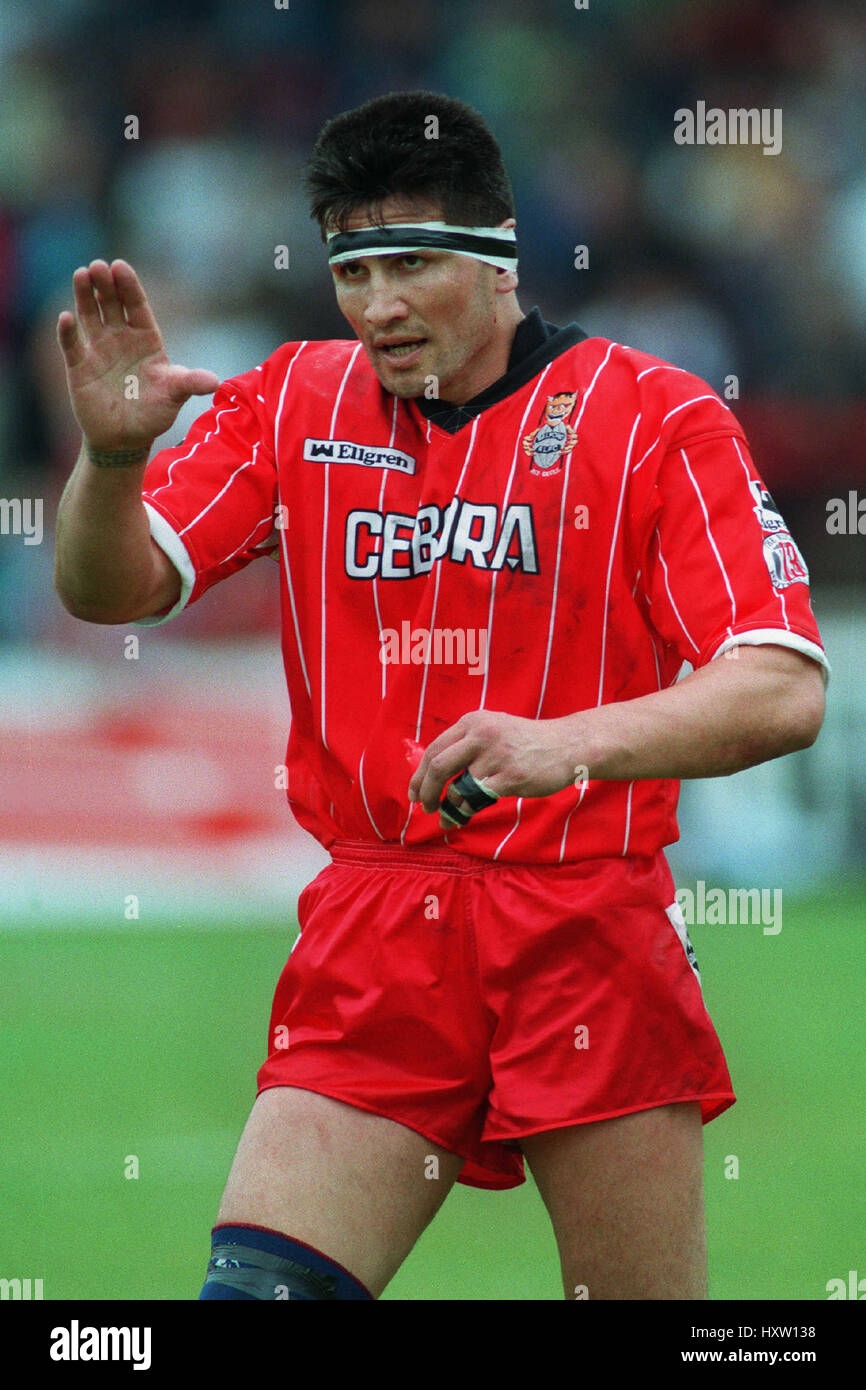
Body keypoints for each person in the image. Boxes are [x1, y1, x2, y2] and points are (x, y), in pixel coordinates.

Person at [54, 90, 828, 1301]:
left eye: (410, 264)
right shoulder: (293, 403)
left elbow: (778, 687)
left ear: (499, 254)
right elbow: (115, 590)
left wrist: (561, 742)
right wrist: (107, 463)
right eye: (351, 271)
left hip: (584, 929)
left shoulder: (653, 418)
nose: (378, 306)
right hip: (373, 928)